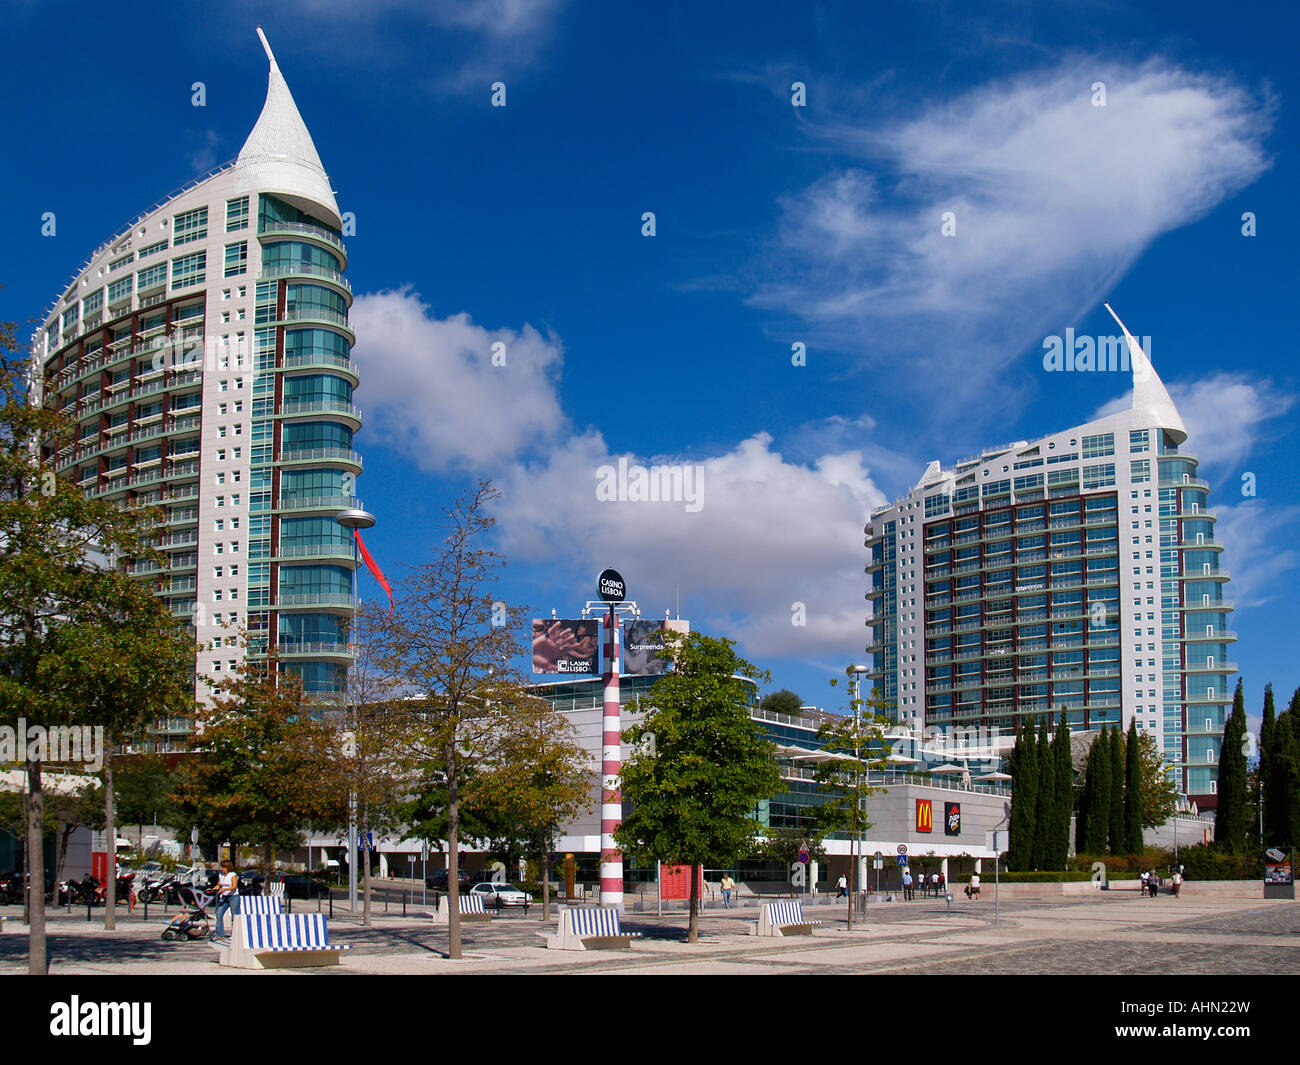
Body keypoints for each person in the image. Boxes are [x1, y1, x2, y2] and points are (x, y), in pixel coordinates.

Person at [211, 860, 240, 941]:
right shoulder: (221, 876)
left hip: (233, 897)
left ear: (228, 868)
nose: (222, 869)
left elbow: (234, 886)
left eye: (224, 867)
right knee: (219, 913)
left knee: (235, 916)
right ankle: (220, 934)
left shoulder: (232, 875)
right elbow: (218, 885)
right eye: (222, 867)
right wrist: (212, 889)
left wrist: (226, 889)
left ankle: (234, 934)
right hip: (224, 897)